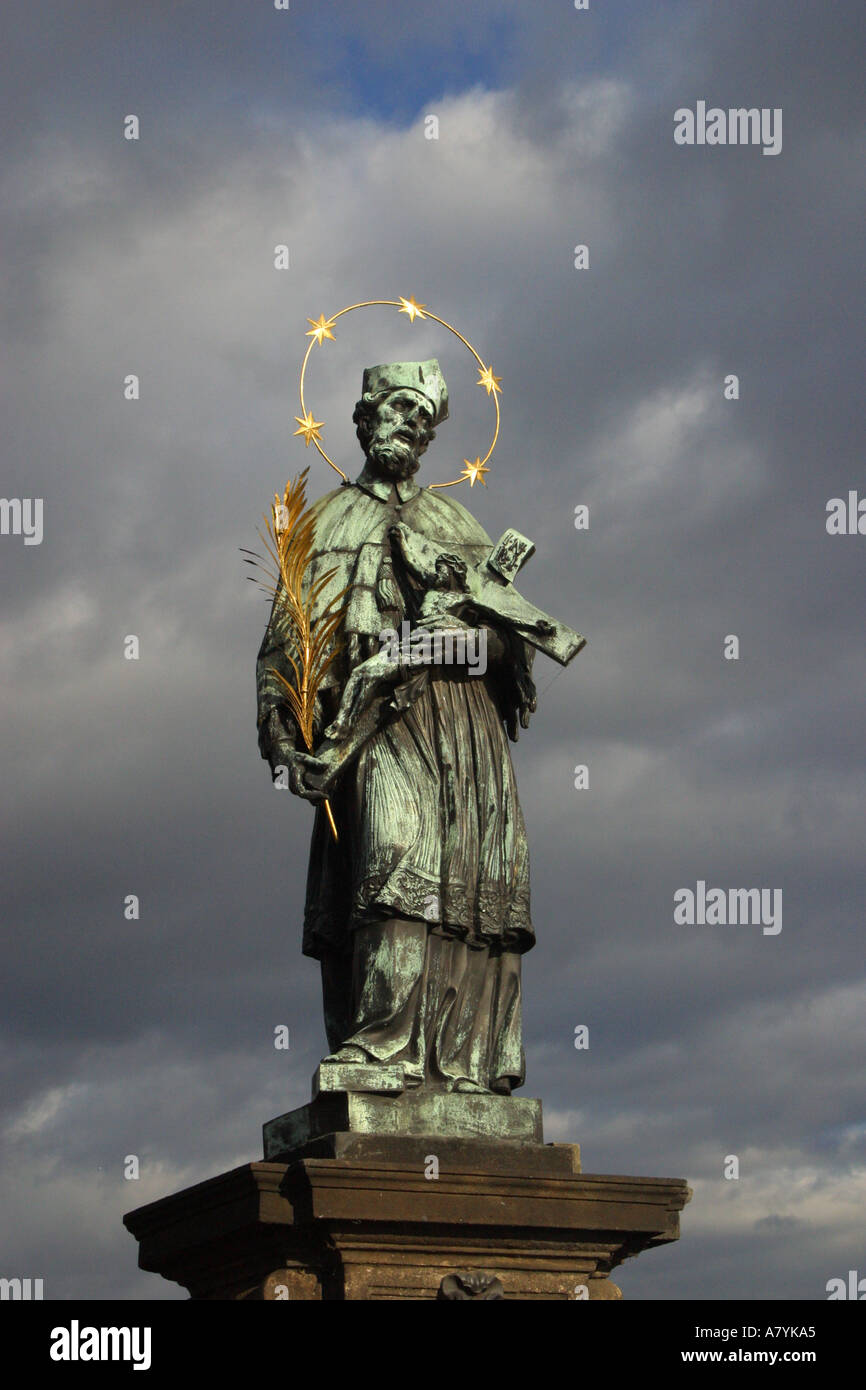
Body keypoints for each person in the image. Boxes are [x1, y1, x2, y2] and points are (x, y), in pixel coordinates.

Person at [256, 360, 537, 1094]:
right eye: (401, 410)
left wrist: (451, 638)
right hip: (374, 725)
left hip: (460, 724)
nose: (412, 426)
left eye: (426, 419)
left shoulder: (455, 524)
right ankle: (382, 1046)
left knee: (465, 888)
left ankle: (464, 1067)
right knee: (393, 862)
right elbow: (283, 651)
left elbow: (508, 645)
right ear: (362, 420)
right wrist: (286, 743)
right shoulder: (326, 524)